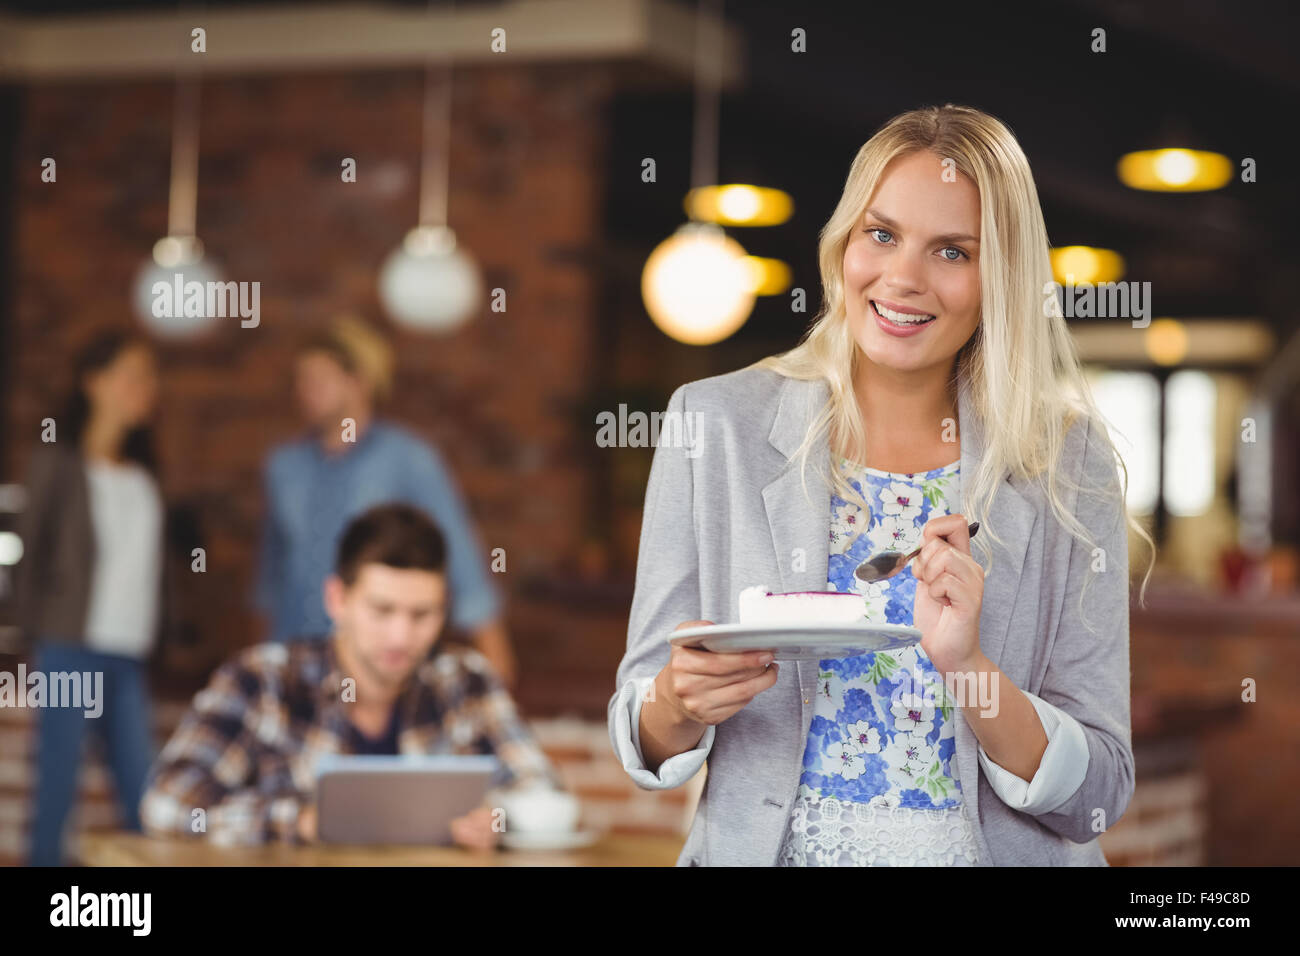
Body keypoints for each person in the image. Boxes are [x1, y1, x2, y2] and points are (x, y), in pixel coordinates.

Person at [609, 104, 1156, 866]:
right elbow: (641, 728)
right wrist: (676, 702)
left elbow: (1098, 792)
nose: (903, 278)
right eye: (882, 234)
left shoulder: (1066, 458)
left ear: (1002, 275)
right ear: (843, 244)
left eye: (953, 252)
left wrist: (969, 669)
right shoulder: (715, 424)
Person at [142, 503, 562, 849]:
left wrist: (501, 819)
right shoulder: (262, 679)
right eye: (382, 611)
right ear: (337, 599)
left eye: (422, 614)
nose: (401, 636)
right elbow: (168, 802)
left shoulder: (467, 682)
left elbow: (545, 794)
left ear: (444, 606)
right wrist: (303, 822)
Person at [255, 315, 517, 686]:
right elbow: (271, 577)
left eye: (318, 379)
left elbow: (461, 558)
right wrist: (261, 662)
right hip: (297, 660)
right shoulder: (284, 467)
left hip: (383, 666)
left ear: (359, 382)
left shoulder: (409, 461)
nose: (305, 391)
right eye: (301, 380)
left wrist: (497, 665)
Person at [15, 331, 167, 865]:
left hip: (129, 650)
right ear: (95, 384)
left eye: (149, 378)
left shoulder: (145, 472)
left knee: (142, 791)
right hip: (70, 644)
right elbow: (30, 557)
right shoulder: (58, 464)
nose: (146, 389)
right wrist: (31, 634)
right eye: (133, 376)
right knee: (57, 784)